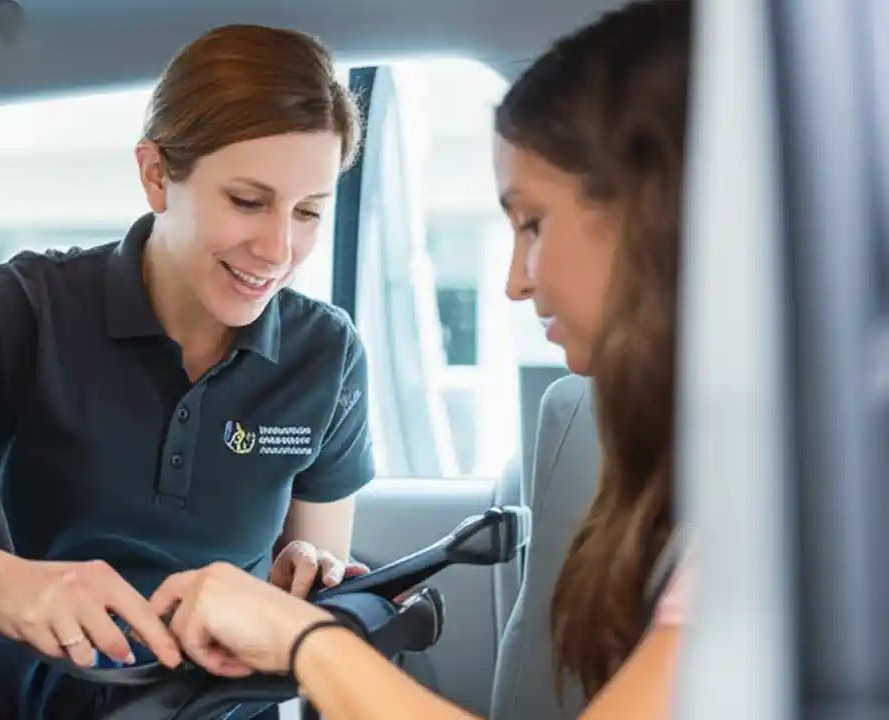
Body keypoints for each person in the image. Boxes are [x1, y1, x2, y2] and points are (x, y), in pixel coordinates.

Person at [0, 23, 375, 719]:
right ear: (157, 175)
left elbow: (314, 558)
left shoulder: (326, 354)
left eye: (308, 212)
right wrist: (5, 585)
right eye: (248, 201)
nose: (280, 248)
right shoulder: (30, 308)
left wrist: (304, 571)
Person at [149, 1, 694, 718]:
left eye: (533, 222)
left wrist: (307, 640)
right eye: (250, 201)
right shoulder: (698, 491)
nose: (513, 281)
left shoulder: (772, 522)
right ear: (156, 177)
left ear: (653, 215)